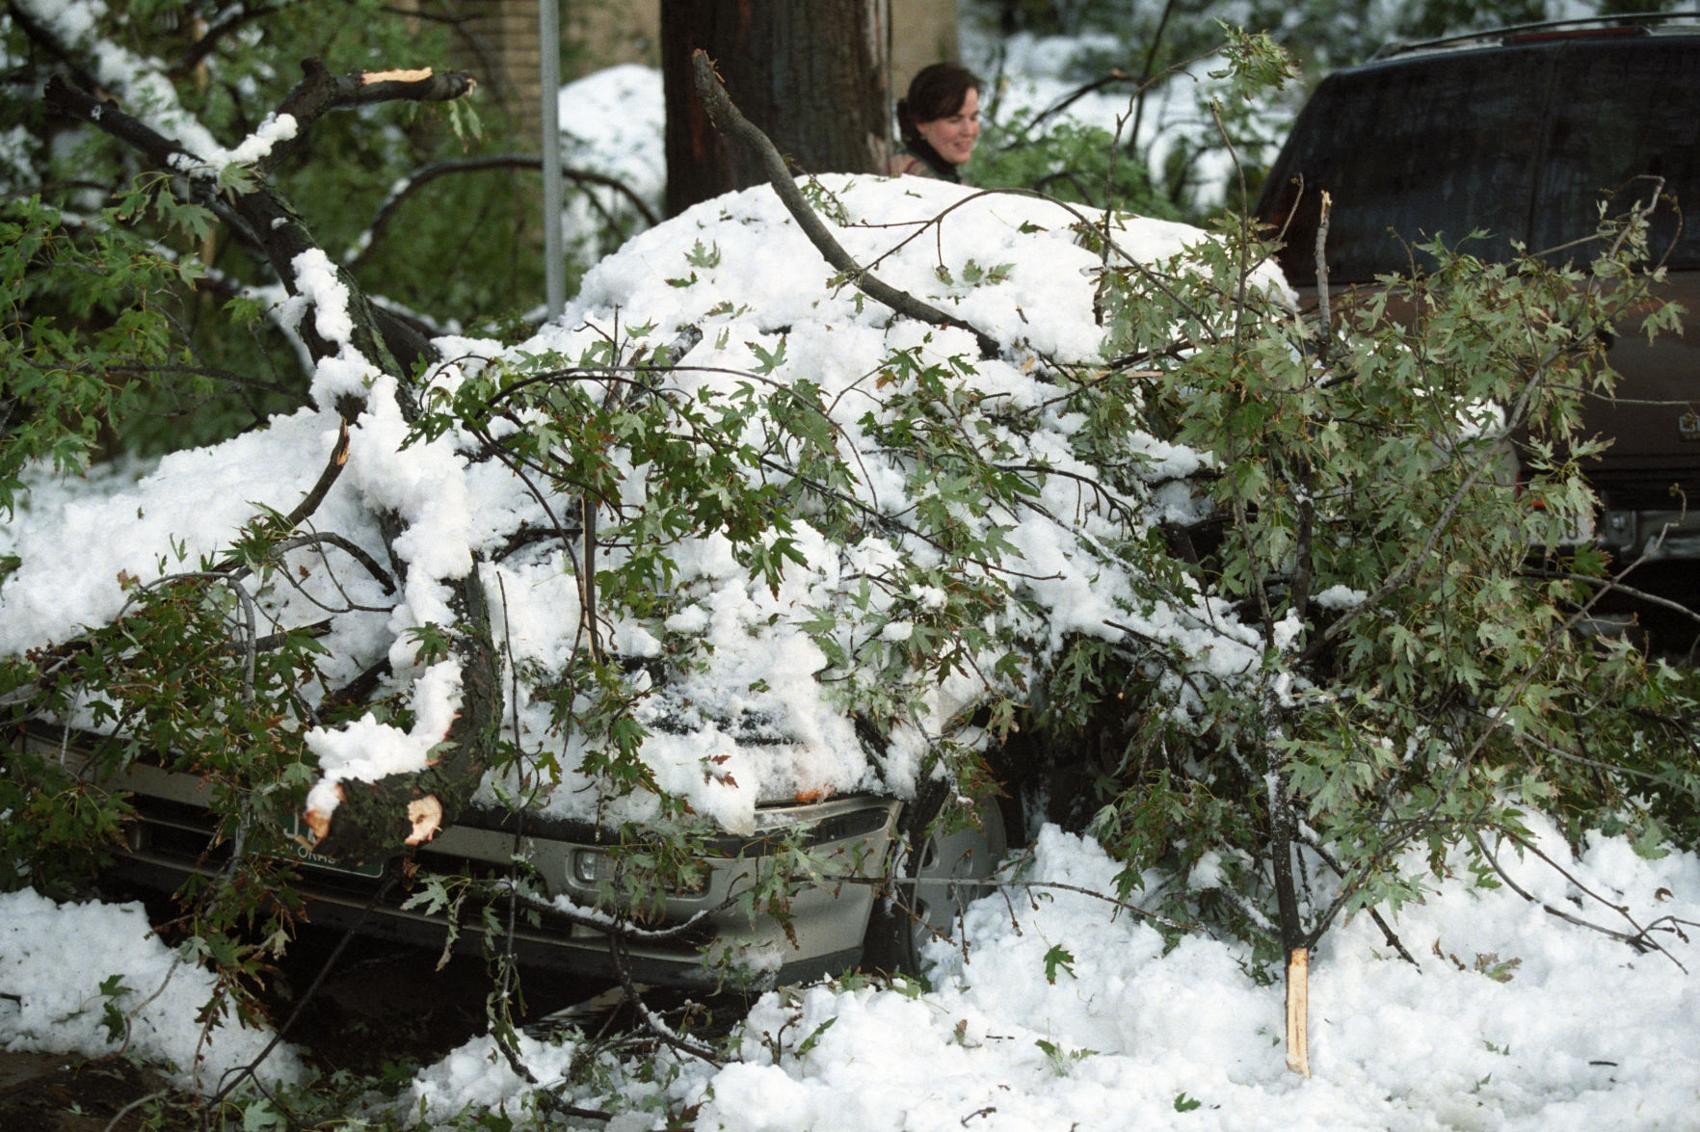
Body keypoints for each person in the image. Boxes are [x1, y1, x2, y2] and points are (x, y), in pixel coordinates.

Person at [887, 63, 983, 183]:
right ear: (921, 123)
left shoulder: (944, 174)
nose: (968, 131)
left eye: (973, 118)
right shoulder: (910, 178)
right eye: (954, 120)